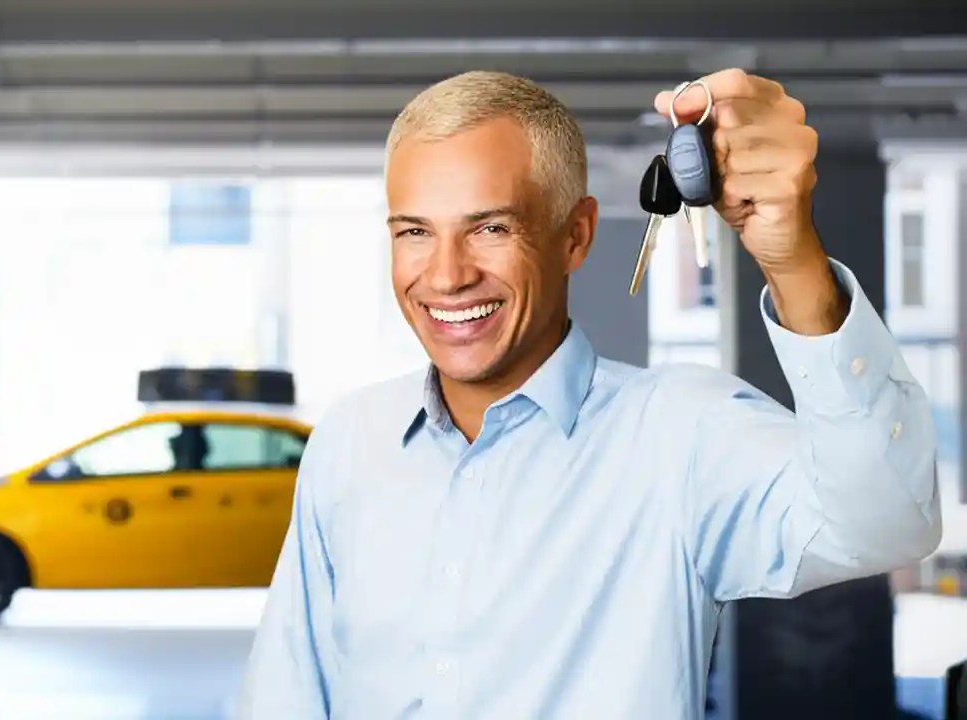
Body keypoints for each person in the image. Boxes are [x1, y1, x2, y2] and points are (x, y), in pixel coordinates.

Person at [235, 68, 942, 719]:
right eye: (415, 232)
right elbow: (285, 698)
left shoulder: (680, 434)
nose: (446, 276)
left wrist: (794, 262)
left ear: (575, 236)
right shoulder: (350, 443)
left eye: (490, 228)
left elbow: (887, 520)